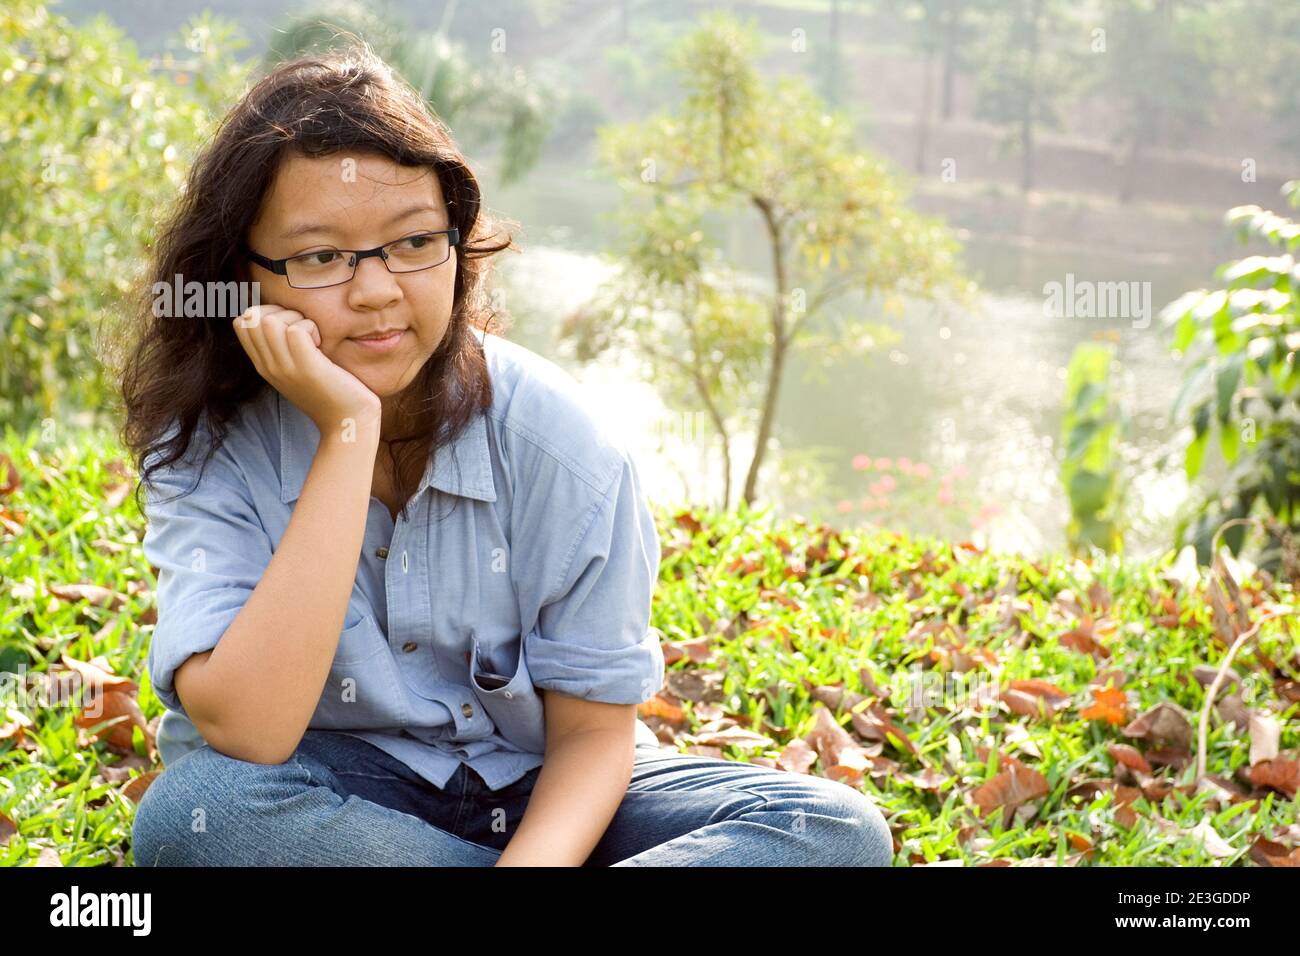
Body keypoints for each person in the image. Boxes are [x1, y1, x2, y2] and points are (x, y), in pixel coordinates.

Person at [118, 43, 893, 867]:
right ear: (245, 274)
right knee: (194, 816)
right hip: (333, 792)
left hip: (540, 794)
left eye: (414, 242)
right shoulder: (210, 439)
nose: (378, 289)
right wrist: (348, 431)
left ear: (459, 243)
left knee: (830, 830)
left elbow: (595, 737)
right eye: (319, 257)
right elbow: (251, 727)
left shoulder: (559, 444)